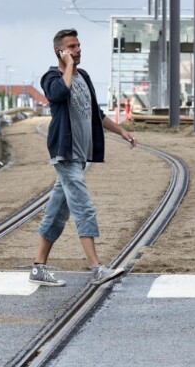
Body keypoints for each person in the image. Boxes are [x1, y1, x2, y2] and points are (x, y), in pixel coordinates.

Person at [30, 28, 139, 288]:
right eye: (72, 47)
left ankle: (38, 267)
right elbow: (58, 93)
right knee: (83, 207)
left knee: (57, 212)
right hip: (65, 154)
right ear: (60, 51)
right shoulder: (51, 77)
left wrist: (121, 131)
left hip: (80, 155)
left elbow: (96, 114)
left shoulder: (85, 77)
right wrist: (67, 65)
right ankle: (97, 268)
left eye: (78, 45)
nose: (78, 50)